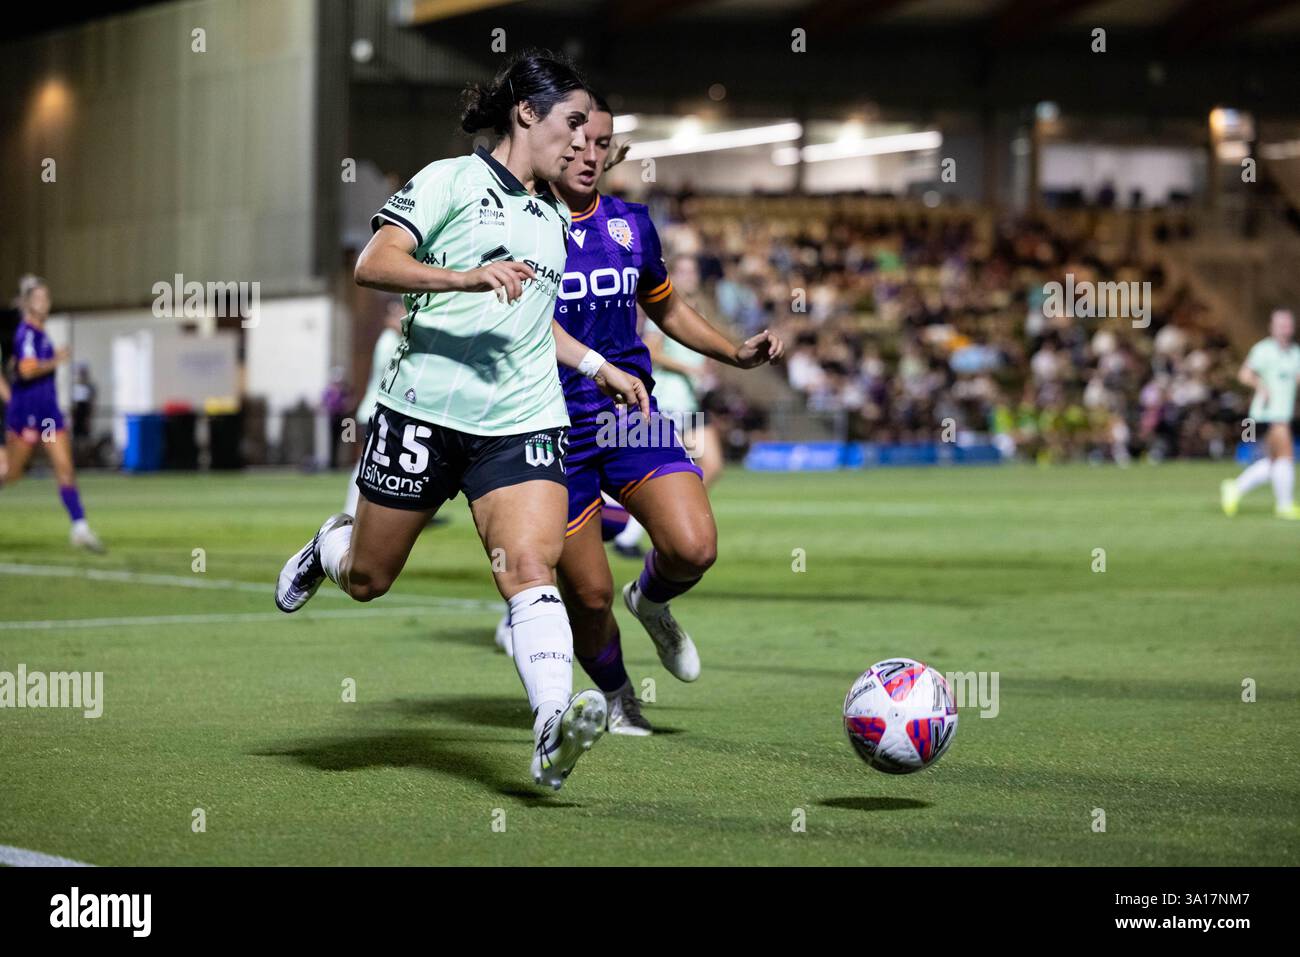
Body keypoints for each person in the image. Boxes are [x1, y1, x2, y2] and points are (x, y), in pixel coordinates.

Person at [273, 51, 649, 790]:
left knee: (529, 566)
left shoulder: (552, 215)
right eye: (573, 125)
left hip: (521, 420)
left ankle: (549, 724)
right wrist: (463, 276)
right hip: (424, 413)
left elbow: (537, 321)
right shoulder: (449, 180)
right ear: (527, 115)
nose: (584, 143)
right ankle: (329, 545)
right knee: (369, 579)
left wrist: (597, 366)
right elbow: (374, 264)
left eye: (594, 135)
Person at [496, 92, 783, 735]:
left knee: (694, 547)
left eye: (604, 143)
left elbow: (668, 308)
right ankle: (620, 697)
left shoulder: (630, 224)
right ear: (550, 139)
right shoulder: (516, 223)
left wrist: (733, 352)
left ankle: (651, 601)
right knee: (589, 596)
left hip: (628, 412)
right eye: (578, 140)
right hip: (547, 428)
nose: (590, 154)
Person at [3, 275, 105, 552]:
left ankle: (80, 527)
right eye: (38, 298)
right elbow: (25, 370)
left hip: (48, 415)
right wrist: (56, 360)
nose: (45, 302)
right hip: (26, 414)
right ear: (27, 303)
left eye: (46, 297)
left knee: (64, 467)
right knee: (11, 473)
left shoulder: (41, 334)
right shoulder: (26, 333)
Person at [1221, 308, 1300, 519]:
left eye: (1288, 324)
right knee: (1286, 456)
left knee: (1275, 462)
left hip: (1284, 413)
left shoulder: (1294, 353)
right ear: (1272, 328)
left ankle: (1235, 488)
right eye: (1281, 325)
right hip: (1266, 413)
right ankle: (1284, 506)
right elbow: (1244, 374)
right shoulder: (1263, 350)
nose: (1285, 329)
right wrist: (1260, 385)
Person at [343, 299, 405, 516]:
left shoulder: (392, 338)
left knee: (377, 465)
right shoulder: (391, 340)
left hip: (373, 411)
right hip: (374, 412)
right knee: (366, 465)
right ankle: (353, 512)